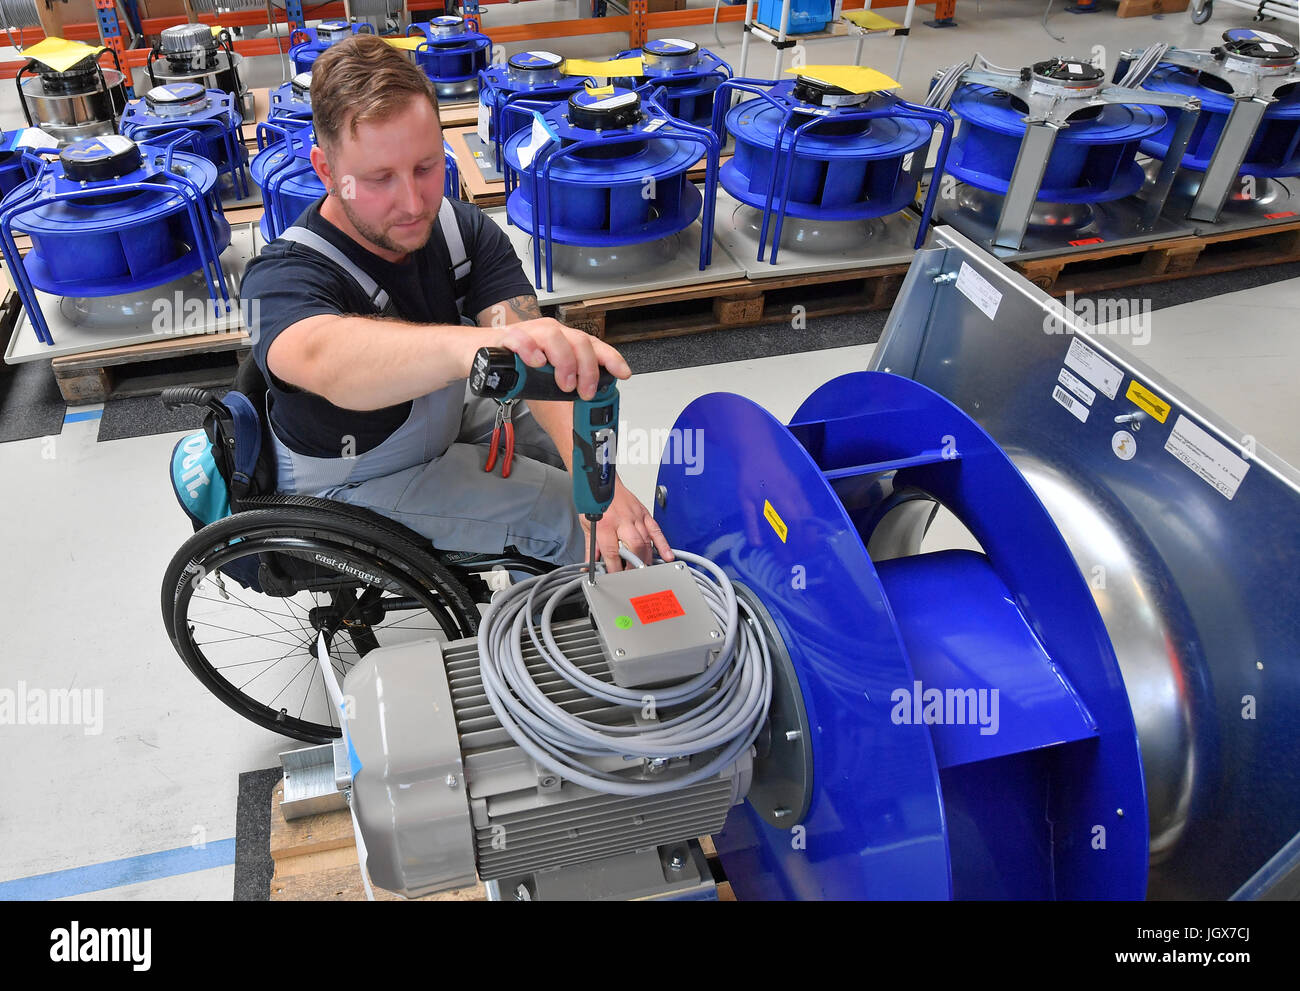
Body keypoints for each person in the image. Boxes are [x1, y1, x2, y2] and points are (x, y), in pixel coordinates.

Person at [239, 34, 670, 571]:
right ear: (326, 171)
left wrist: (600, 489)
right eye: (379, 179)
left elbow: (529, 348)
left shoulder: (460, 232)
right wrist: (482, 344)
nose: (414, 202)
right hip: (355, 476)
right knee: (568, 523)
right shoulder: (284, 275)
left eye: (425, 167)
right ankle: (570, 639)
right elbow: (324, 358)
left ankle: (539, 573)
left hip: (437, 420)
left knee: (576, 473)